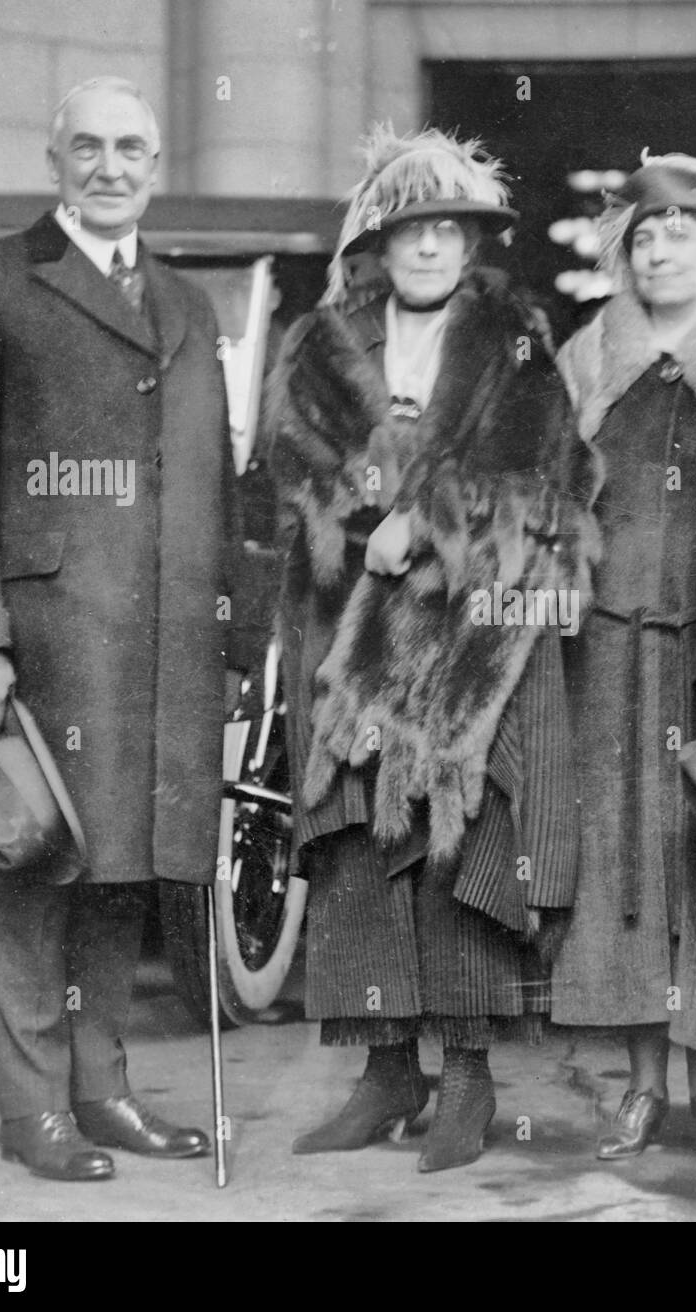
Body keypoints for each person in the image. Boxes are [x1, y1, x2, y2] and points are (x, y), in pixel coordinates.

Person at [0, 77, 243, 1181]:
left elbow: (213, 488)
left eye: (131, 148)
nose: (110, 166)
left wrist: (225, 641)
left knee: (125, 876)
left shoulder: (189, 308)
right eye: (87, 146)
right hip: (46, 644)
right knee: (33, 869)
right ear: (54, 159)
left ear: (156, 167)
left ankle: (103, 1093)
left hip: (162, 652)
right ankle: (32, 1111)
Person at [267, 126, 601, 1173]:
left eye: (448, 229)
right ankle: (384, 1073)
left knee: (463, 839)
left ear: (472, 241)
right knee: (361, 843)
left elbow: (553, 483)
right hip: (352, 625)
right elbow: (291, 464)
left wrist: (439, 521)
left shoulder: (515, 339)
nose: (428, 247)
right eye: (410, 228)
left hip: (474, 637)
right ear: (380, 236)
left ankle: (466, 1077)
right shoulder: (319, 341)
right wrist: (372, 522)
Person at [548, 153, 696, 1163]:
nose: (655, 252)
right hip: (606, 649)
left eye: (677, 235)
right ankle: (642, 1084)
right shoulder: (582, 356)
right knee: (623, 868)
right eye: (640, 238)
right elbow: (545, 497)